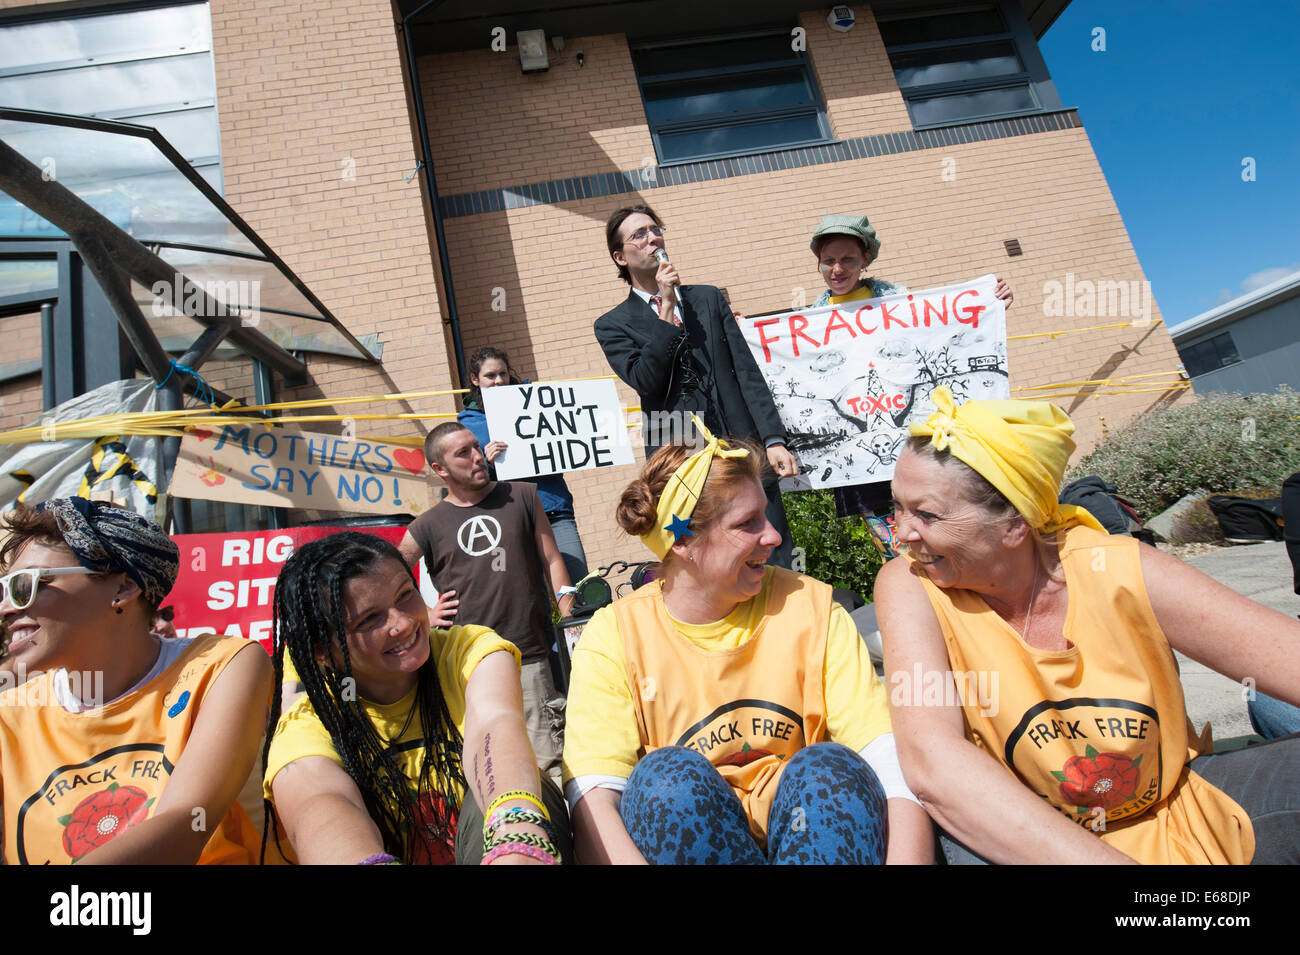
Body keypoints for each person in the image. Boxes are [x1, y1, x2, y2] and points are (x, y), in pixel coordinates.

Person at [875, 387, 1300, 864]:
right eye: (898, 507)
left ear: (1016, 524)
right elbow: (936, 765)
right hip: (1032, 839)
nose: (902, 533)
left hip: (1183, 808)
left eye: (926, 514)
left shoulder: (1117, 567)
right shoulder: (910, 585)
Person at [562, 416, 933, 864]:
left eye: (766, 514)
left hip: (808, 833)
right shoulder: (614, 634)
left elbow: (885, 759)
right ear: (684, 543)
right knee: (663, 781)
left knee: (828, 768)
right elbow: (595, 796)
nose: (774, 535)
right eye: (747, 523)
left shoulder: (811, 606)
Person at [262, 532, 570, 865]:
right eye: (370, 619)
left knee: (531, 791)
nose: (404, 623)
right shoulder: (308, 725)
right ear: (323, 652)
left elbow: (494, 727)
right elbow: (322, 809)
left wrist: (516, 836)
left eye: (406, 596)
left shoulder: (468, 653)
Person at [0, 498, 270, 864]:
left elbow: (184, 826)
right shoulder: (9, 715)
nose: (6, 608)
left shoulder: (219, 665)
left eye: (27, 585)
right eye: (5, 591)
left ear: (122, 589)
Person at [595, 204, 798, 567]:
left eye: (655, 229)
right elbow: (645, 381)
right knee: (710, 556)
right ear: (620, 256)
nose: (652, 238)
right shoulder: (613, 324)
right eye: (639, 234)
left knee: (771, 545)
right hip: (681, 450)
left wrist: (773, 438)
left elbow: (746, 370)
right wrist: (666, 309)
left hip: (741, 441)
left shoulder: (706, 297)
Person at [807, 213, 1014, 530]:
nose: (837, 269)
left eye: (848, 260)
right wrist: (740, 333)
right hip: (864, 463)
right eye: (828, 261)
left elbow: (947, 335)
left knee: (947, 530)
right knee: (897, 546)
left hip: (920, 445)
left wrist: (989, 304)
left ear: (865, 259)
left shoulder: (905, 304)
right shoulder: (807, 325)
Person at [399, 422, 575, 784]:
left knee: (549, 768)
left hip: (529, 656)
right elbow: (388, 573)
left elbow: (553, 559)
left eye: (477, 447)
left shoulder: (523, 496)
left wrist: (570, 617)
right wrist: (424, 616)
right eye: (463, 452)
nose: (478, 457)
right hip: (466, 666)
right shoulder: (428, 525)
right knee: (488, 769)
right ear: (440, 469)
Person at [458, 345, 589, 586]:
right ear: (475, 380)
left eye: (503, 374)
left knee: (578, 585)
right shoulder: (468, 423)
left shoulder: (539, 403)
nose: (498, 381)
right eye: (490, 376)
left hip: (555, 510)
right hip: (513, 516)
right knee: (534, 594)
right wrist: (486, 463)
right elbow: (467, 480)